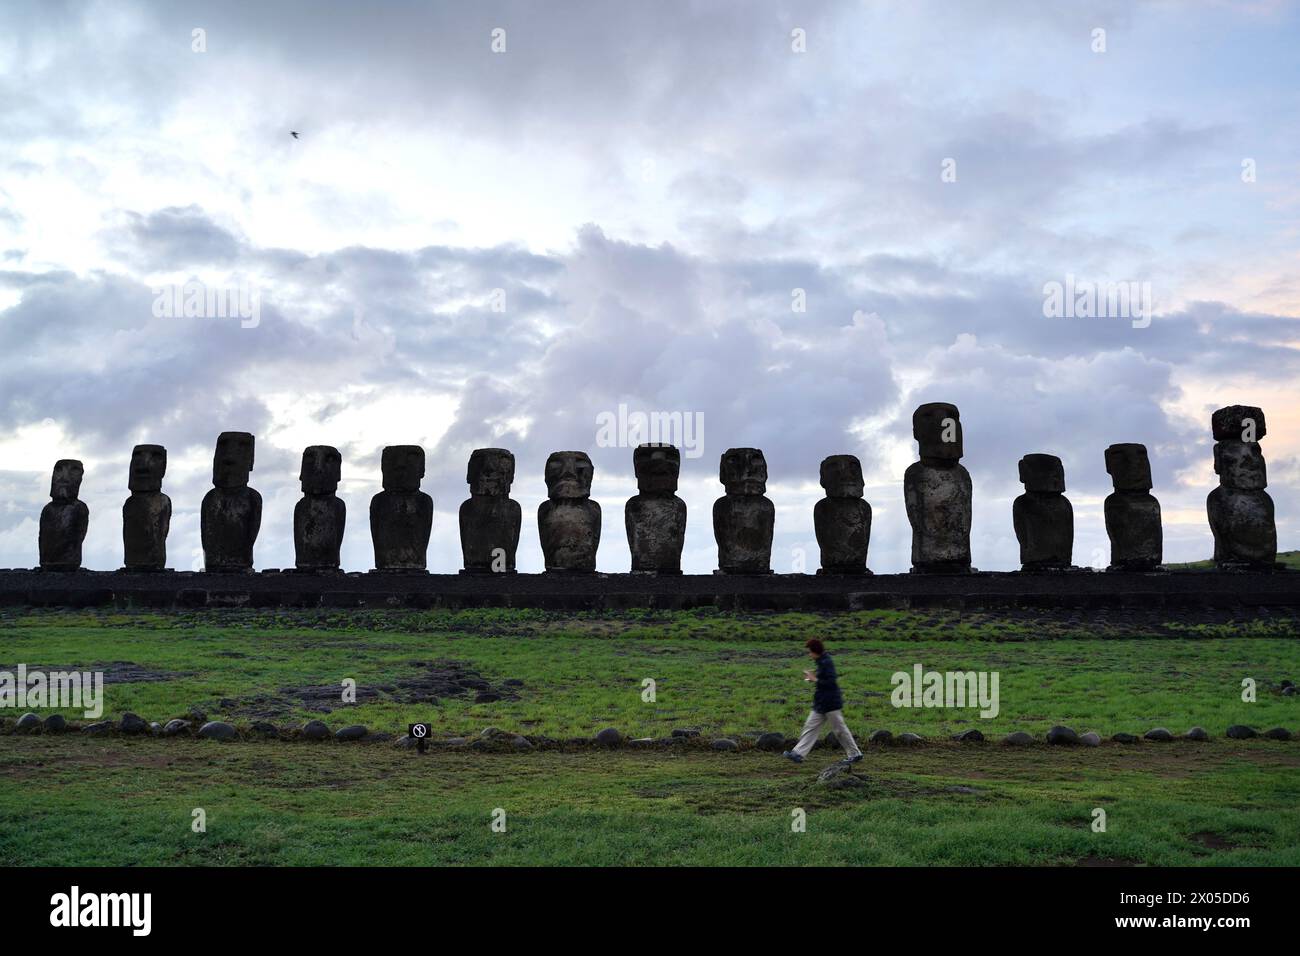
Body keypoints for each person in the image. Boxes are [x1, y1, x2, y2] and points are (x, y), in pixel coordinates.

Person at [782, 638, 862, 763]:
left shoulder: (826, 662)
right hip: (821, 702)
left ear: (815, 651)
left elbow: (831, 682)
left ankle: (855, 753)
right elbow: (823, 678)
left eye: (810, 652)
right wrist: (813, 676)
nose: (809, 654)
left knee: (840, 730)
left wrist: (814, 679)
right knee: (810, 727)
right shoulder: (822, 662)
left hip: (830, 703)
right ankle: (798, 753)